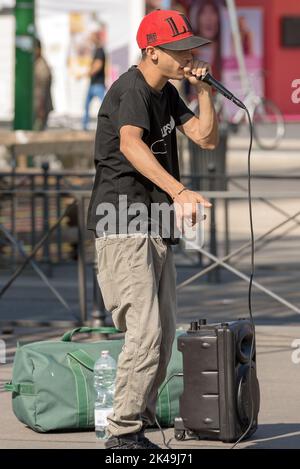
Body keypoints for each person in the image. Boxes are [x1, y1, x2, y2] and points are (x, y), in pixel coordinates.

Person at [87, 9, 218, 449]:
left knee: (162, 338)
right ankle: (121, 435)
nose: (189, 56)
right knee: (144, 334)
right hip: (122, 221)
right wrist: (180, 191)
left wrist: (204, 92)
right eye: (179, 50)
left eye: (190, 48)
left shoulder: (166, 92)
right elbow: (129, 143)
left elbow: (205, 137)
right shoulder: (132, 89)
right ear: (151, 51)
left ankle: (136, 425)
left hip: (154, 223)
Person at [81, 30, 106, 130]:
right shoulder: (97, 50)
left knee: (105, 106)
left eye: (92, 37)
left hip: (98, 84)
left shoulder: (100, 50)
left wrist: (88, 73)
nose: (90, 40)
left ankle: (107, 125)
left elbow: (98, 65)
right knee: (87, 105)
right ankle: (84, 126)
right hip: (94, 83)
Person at [34, 39, 53, 130]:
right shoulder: (36, 63)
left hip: (41, 107)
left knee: (38, 134)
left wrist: (41, 108)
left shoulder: (42, 66)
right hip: (38, 106)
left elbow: (43, 90)